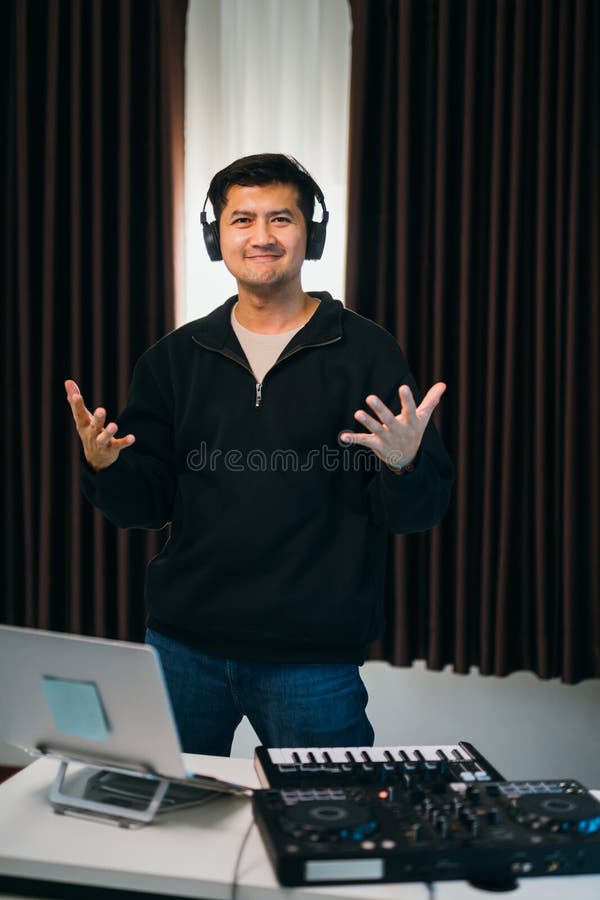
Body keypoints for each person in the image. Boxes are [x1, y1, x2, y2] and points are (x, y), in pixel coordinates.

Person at [65, 153, 453, 756]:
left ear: (310, 233)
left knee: (323, 831)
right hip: (181, 648)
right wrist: (105, 465)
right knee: (167, 825)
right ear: (216, 236)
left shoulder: (368, 353)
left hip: (312, 662)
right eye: (242, 220)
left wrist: (404, 463)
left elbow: (416, 515)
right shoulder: (173, 359)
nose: (262, 237)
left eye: (281, 218)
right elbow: (144, 506)